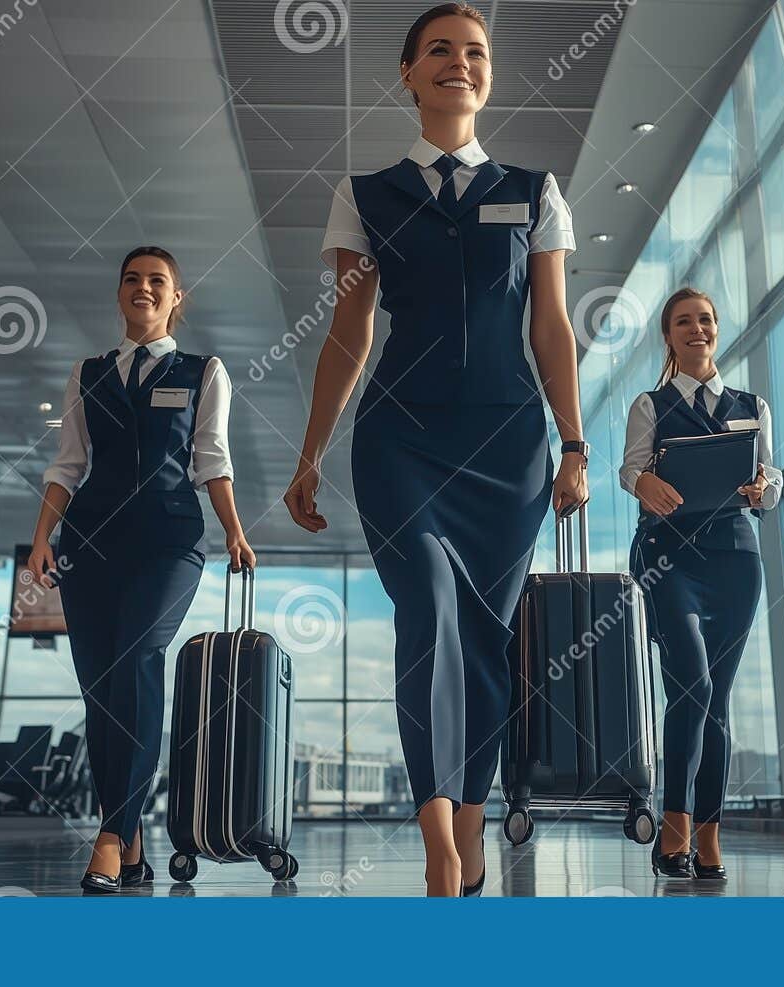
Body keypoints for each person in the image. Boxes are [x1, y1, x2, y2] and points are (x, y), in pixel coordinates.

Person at [283, 3, 588, 896]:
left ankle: (467, 812)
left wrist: (574, 444)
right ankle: (438, 844)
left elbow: (552, 326)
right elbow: (349, 330)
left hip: (507, 444)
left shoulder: (536, 190)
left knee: (486, 642)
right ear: (409, 75)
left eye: (477, 53)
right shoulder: (366, 193)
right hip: (400, 440)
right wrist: (311, 452)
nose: (461, 62)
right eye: (441, 51)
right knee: (426, 609)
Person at [27, 246, 257, 894]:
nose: (144, 288)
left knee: (136, 658)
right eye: (132, 279)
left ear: (177, 297)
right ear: (119, 292)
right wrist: (43, 538)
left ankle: (109, 833)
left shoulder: (203, 370)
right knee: (101, 690)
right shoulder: (88, 372)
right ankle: (129, 844)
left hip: (168, 538)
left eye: (158, 281)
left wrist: (236, 532)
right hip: (91, 542)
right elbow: (67, 463)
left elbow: (212, 458)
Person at [621, 286, 781, 881]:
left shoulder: (751, 405)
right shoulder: (650, 404)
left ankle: (708, 838)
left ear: (716, 329)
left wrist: (766, 490)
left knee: (717, 699)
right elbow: (631, 466)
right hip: (670, 560)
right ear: (669, 335)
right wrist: (643, 485)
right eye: (684, 322)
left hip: (736, 559)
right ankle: (674, 828)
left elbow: (770, 475)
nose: (697, 329)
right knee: (691, 685)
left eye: (706, 320)